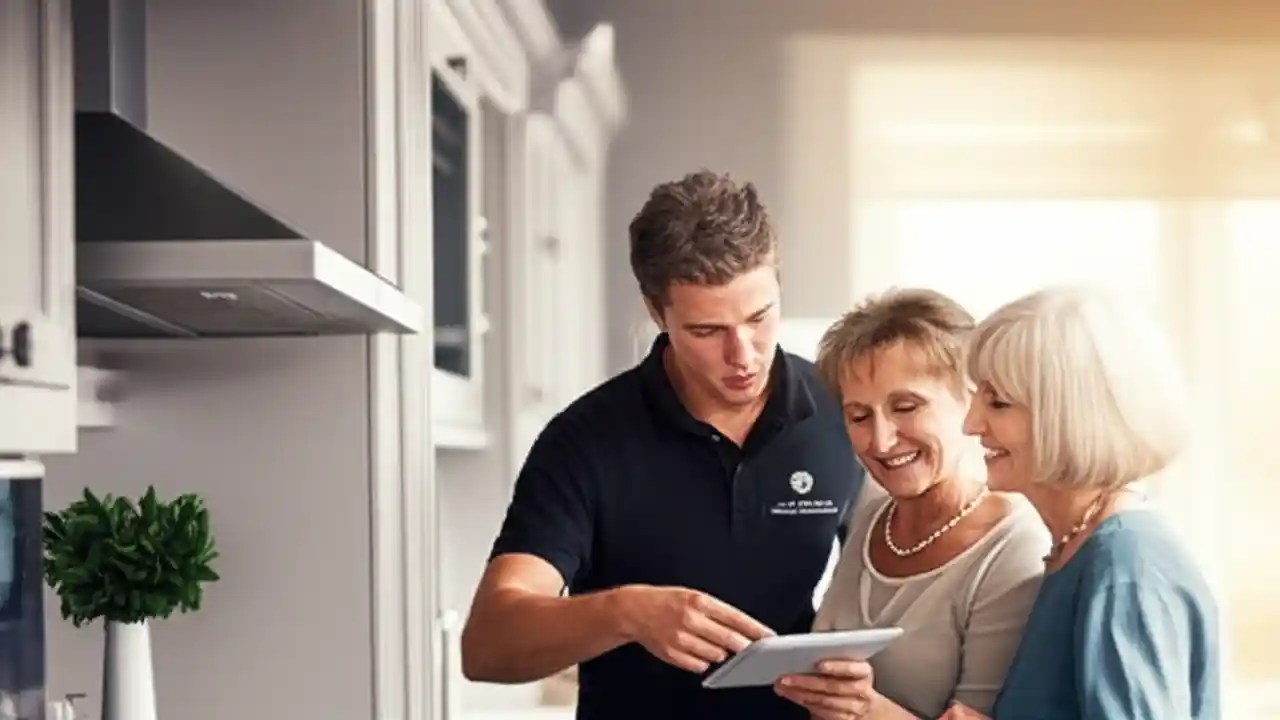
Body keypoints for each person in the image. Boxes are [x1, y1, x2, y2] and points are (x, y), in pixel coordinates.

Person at [460, 170, 863, 719]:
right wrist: (626, 613)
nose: (742, 355)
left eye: (759, 317)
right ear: (657, 311)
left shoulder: (845, 408)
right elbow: (487, 645)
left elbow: (904, 570)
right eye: (706, 331)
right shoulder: (584, 441)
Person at [941, 285, 1220, 719]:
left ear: (1067, 417)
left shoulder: (1126, 571)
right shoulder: (1080, 549)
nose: (971, 423)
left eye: (997, 402)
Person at [773, 289, 1048, 720]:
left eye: (905, 407)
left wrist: (867, 710)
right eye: (859, 417)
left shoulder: (1013, 548)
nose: (881, 441)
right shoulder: (873, 517)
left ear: (969, 397)